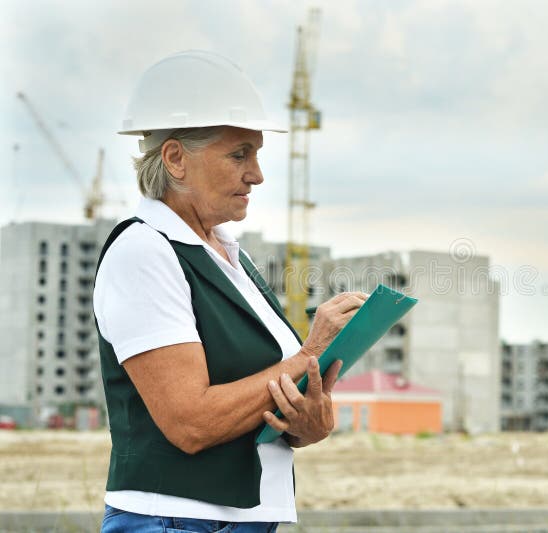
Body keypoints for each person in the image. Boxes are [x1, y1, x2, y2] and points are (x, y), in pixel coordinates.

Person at [94, 50, 367, 532]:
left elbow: (265, 407)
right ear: (175, 158)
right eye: (239, 154)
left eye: (257, 154)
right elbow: (191, 423)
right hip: (173, 521)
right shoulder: (144, 251)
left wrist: (310, 421)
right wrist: (312, 354)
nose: (257, 174)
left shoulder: (228, 256)